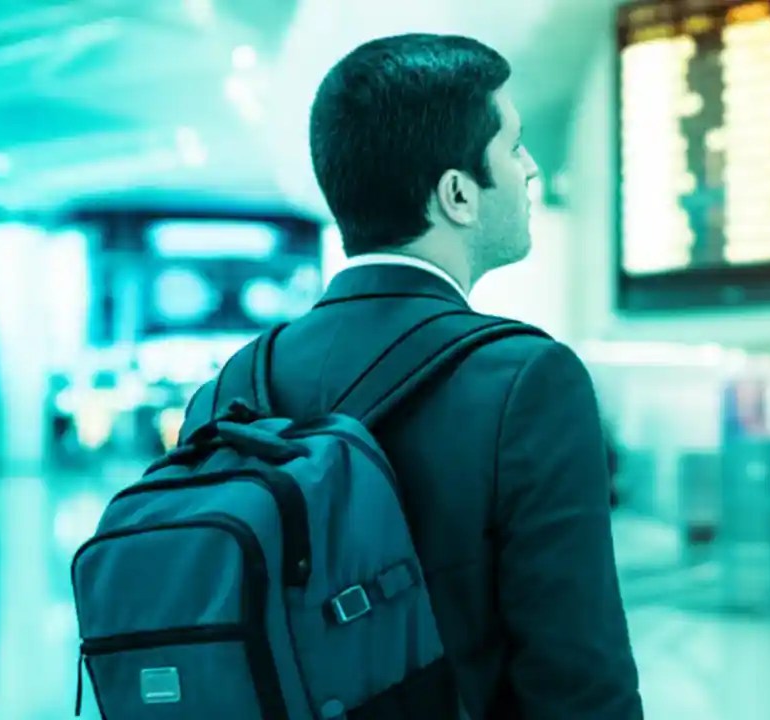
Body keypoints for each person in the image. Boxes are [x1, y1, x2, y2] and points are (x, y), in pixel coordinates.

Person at [249, 34, 642, 718]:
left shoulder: (233, 388)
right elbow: (578, 675)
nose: (530, 172)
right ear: (458, 194)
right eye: (514, 147)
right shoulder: (525, 381)